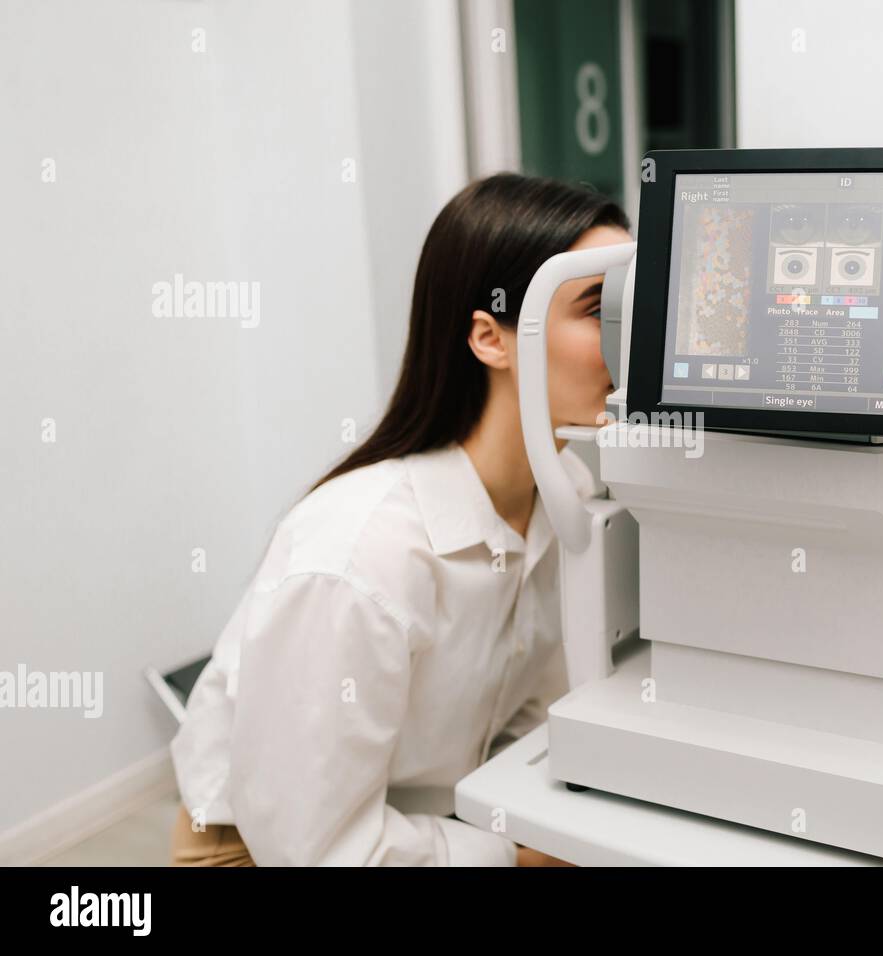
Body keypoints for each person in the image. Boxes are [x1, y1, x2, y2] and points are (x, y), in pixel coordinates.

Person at [169, 173, 631, 866]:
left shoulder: (565, 485)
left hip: (423, 806)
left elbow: (537, 705)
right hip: (269, 846)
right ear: (490, 338)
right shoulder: (361, 556)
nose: (636, 337)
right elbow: (318, 849)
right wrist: (522, 855)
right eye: (601, 308)